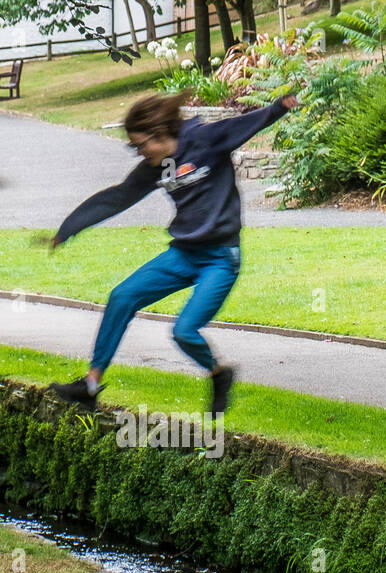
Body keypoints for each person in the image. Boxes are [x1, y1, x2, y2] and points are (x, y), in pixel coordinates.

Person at [46, 90, 299, 414]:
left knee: (184, 331)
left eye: (141, 144)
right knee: (122, 296)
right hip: (183, 254)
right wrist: (67, 230)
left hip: (220, 259)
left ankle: (219, 374)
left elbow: (244, 125)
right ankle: (90, 385)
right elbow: (117, 198)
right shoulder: (155, 167)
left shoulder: (205, 140)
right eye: (134, 147)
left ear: (160, 132)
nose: (139, 152)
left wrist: (279, 108)